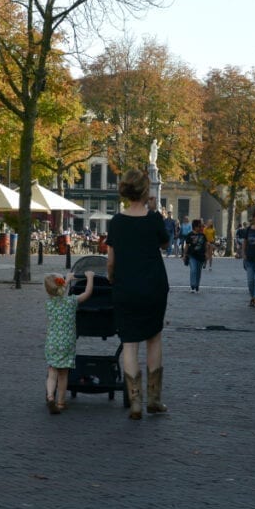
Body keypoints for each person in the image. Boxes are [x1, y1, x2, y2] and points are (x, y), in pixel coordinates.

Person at [106, 169, 170, 420]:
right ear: (146, 192)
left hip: (125, 286)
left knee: (130, 344)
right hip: (153, 285)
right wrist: (154, 210)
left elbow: (110, 261)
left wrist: (113, 279)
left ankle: (135, 403)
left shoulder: (117, 222)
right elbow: (164, 243)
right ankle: (154, 399)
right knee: (154, 338)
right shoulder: (154, 219)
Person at [44, 270, 95, 414]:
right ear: (63, 286)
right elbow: (87, 294)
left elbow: (57, 292)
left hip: (52, 343)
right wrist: (90, 278)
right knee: (63, 374)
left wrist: (66, 280)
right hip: (66, 343)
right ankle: (60, 402)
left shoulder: (49, 304)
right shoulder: (71, 301)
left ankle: (49, 396)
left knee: (52, 372)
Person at [183, 219, 207, 292]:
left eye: (201, 226)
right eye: (199, 226)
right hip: (192, 256)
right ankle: (192, 286)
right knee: (193, 270)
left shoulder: (203, 235)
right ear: (195, 227)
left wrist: (206, 255)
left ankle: (197, 286)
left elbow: (205, 245)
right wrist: (184, 255)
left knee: (198, 272)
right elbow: (186, 246)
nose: (201, 228)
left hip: (201, 256)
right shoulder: (189, 235)